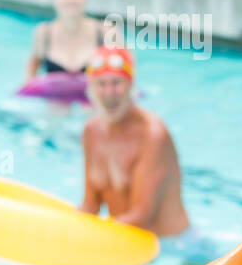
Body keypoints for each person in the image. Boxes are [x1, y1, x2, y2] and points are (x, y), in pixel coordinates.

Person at [78, 46, 191, 238]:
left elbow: (141, 217)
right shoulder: (91, 131)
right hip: (125, 238)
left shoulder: (152, 135)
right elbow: (91, 205)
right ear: (90, 89)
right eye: (101, 84)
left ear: (131, 85)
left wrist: (91, 235)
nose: (109, 92)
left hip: (173, 245)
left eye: (116, 83)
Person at [24, 0, 118, 81]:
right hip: (54, 97)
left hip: (92, 98)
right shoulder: (43, 33)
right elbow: (30, 77)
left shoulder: (105, 32)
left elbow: (126, 77)